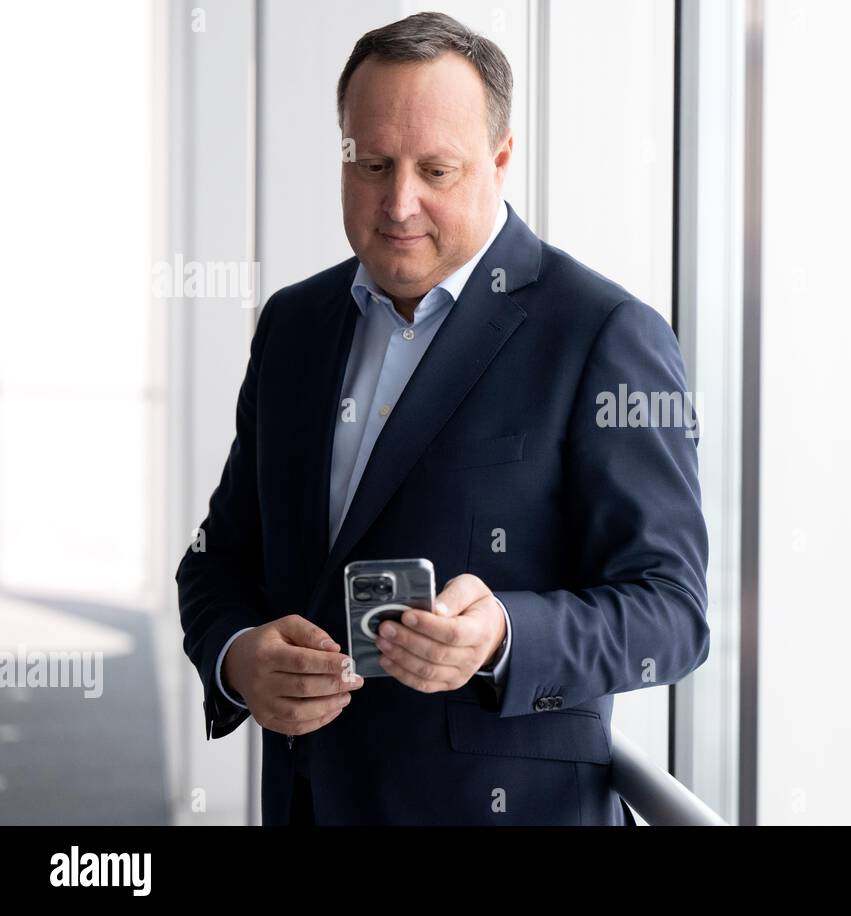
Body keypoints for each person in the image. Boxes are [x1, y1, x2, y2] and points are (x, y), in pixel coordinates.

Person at [175, 11, 709, 826]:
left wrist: (503, 634)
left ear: (500, 160)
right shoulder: (295, 324)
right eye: (374, 164)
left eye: (437, 169)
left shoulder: (603, 334)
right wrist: (238, 657)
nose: (399, 203)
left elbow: (672, 612)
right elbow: (218, 562)